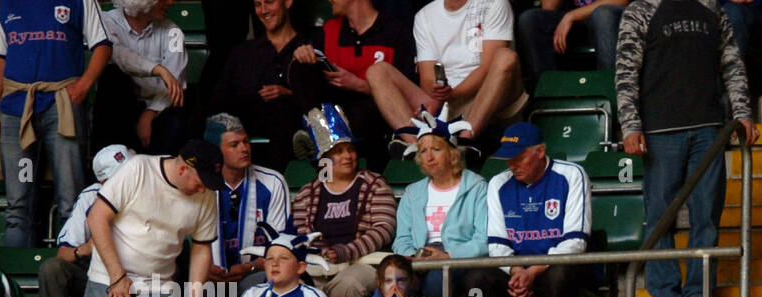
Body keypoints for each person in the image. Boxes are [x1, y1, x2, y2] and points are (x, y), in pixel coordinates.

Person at [616, 0, 758, 297]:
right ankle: (664, 294)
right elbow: (626, 72)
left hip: (709, 129)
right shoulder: (641, 10)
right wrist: (630, 125)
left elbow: (732, 64)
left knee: (706, 213)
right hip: (659, 131)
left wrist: (743, 114)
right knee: (660, 216)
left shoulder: (711, 8)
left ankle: (699, 291)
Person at [84, 140, 221, 297]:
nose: (202, 190)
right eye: (200, 183)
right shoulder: (138, 169)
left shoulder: (205, 194)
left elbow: (201, 248)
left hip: (159, 286)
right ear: (182, 170)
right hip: (108, 282)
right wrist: (117, 276)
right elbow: (96, 217)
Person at [0, 0, 112, 249]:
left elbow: (102, 46)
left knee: (69, 199)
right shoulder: (5, 2)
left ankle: (66, 275)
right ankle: (17, 279)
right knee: (20, 201)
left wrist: (84, 85)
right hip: (16, 113)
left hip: (61, 108)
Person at [461, 122, 591, 297]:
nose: (512, 165)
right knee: (476, 278)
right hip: (517, 272)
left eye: (519, 158)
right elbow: (498, 245)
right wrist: (516, 272)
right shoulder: (498, 183)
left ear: (539, 152)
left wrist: (532, 272)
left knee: (559, 275)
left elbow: (575, 242)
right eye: (508, 159)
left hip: (552, 268)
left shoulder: (571, 174)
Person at [292, 105, 398, 297]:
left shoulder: (374, 183)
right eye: (338, 152)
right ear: (324, 159)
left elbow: (383, 228)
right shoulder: (308, 193)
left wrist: (345, 252)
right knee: (296, 284)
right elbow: (301, 233)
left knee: (347, 286)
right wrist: (322, 253)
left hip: (364, 263)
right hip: (319, 264)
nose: (347, 156)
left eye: (350, 149)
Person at [291, 0, 431, 164]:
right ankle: (319, 132)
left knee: (362, 114)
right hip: (334, 110)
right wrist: (300, 55)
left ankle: (323, 140)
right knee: (301, 65)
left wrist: (358, 84)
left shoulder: (395, 32)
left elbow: (406, 94)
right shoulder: (329, 29)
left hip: (374, 117)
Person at [390, 107, 489, 297]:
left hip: (456, 257)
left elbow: (483, 240)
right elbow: (402, 239)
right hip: (419, 255)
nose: (429, 157)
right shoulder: (412, 192)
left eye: (436, 149)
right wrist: (412, 255)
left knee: (437, 277)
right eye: (423, 151)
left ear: (452, 152)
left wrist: (448, 255)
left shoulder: (477, 187)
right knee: (391, 278)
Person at [401, 0, 527, 154]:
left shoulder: (495, 3)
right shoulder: (424, 15)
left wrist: (451, 94)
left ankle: (462, 142)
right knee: (378, 72)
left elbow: (487, 67)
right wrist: (439, 97)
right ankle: (419, 145)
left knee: (505, 57)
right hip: (445, 103)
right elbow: (427, 79)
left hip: (489, 94)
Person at [39, 144, 136, 297]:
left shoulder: (146, 190)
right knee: (52, 269)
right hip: (97, 277)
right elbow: (62, 254)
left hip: (138, 277)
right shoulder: (91, 196)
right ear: (103, 182)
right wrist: (87, 248)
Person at [208, 0, 309, 173]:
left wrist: (288, 93)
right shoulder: (243, 52)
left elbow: (322, 97)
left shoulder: (309, 47)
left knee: (282, 110)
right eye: (257, 5)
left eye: (269, 2)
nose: (263, 11)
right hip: (248, 121)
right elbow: (219, 99)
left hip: (290, 122)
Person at [203, 114, 292, 291]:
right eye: (234, 145)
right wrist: (205, 268)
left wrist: (249, 268)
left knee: (261, 285)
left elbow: (282, 247)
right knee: (203, 294)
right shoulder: (201, 186)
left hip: (256, 273)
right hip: (211, 277)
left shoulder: (273, 182)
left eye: (246, 142)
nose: (244, 149)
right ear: (216, 153)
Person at [96, 0, 190, 155]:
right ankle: (111, 172)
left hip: (159, 109)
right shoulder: (106, 21)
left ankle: (161, 174)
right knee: (112, 78)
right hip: (121, 109)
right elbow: (118, 54)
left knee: (177, 115)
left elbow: (175, 85)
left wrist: (151, 112)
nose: (171, 2)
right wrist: (158, 70)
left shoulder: (173, 32)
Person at [517, 0, 632, 89]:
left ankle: (610, 94)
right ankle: (547, 96)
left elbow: (621, 1)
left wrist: (571, 16)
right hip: (575, 24)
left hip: (610, 18)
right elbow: (549, 7)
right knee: (530, 19)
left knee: (603, 15)